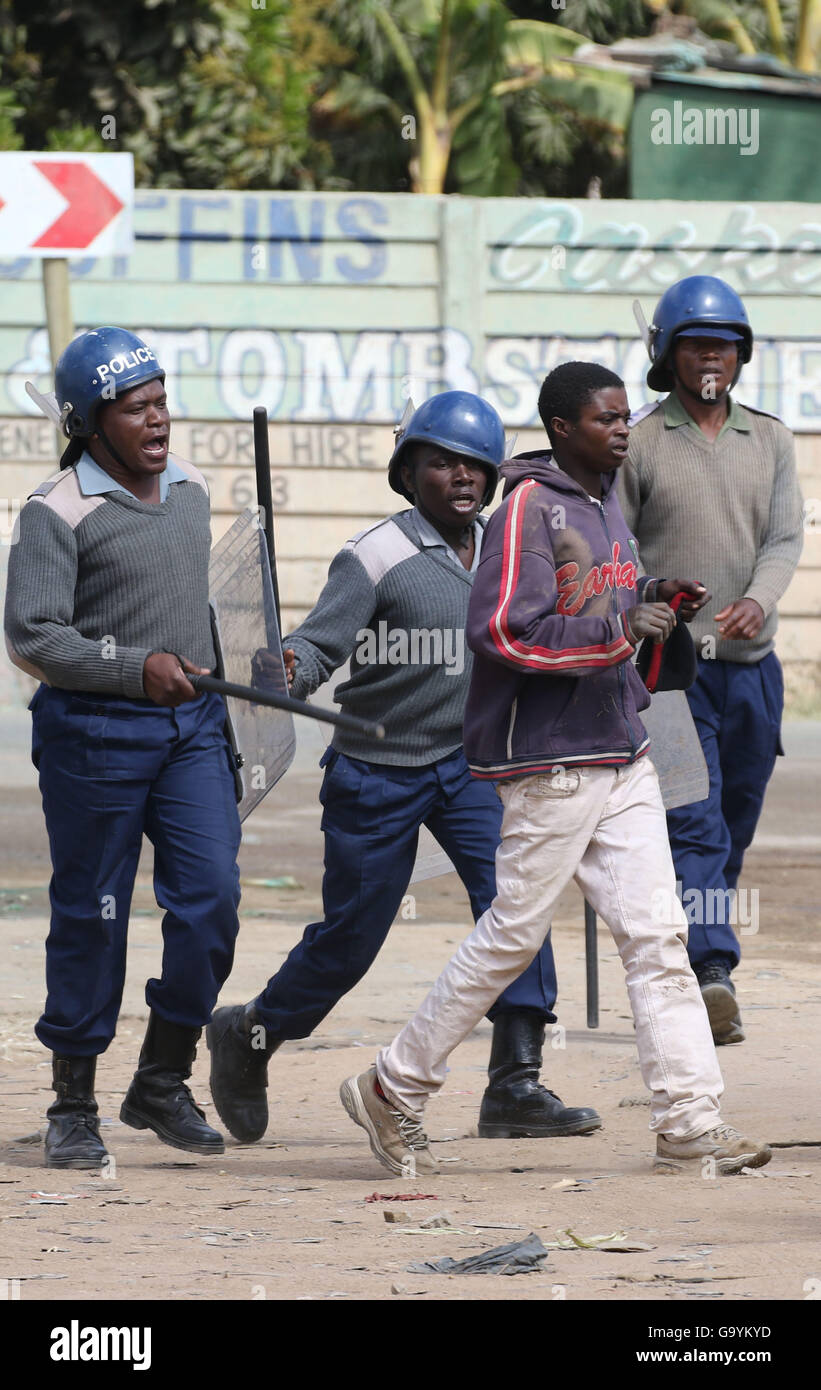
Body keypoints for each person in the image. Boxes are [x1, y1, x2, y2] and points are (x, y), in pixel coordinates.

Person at [339, 361, 772, 1177]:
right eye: (606, 419)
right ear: (562, 430)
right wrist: (618, 626)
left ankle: (688, 1120)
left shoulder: (605, 499)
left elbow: (599, 591)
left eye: (623, 418)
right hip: (551, 763)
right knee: (509, 937)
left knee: (656, 935)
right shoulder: (526, 512)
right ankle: (391, 1085)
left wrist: (653, 592)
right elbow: (501, 629)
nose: (622, 429)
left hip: (621, 749)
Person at [207, 391, 600, 1144]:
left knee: (517, 901)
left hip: (474, 765)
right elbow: (319, 646)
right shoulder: (374, 555)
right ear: (407, 471)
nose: (460, 477)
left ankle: (515, 1082)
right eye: (441, 462)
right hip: (377, 769)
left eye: (474, 466)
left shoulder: (508, 549)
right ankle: (250, 1032)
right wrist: (286, 668)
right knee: (352, 935)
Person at [4, 326, 242, 1168]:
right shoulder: (55, 511)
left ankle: (162, 1078)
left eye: (161, 401)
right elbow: (32, 638)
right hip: (93, 736)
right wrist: (136, 668)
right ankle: (73, 1102)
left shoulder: (191, 491)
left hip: (188, 734)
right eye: (135, 408)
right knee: (93, 914)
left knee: (211, 901)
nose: (157, 421)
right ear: (88, 421)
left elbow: (191, 610)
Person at [620, 276, 804, 1044]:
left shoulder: (770, 439)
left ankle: (696, 954)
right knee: (693, 823)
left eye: (723, 346)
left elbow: (784, 539)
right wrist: (642, 600)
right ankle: (711, 970)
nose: (711, 358)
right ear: (665, 353)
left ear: (740, 356)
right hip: (669, 673)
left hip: (752, 671)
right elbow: (614, 550)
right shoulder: (635, 439)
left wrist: (758, 599)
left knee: (733, 823)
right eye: (696, 344)